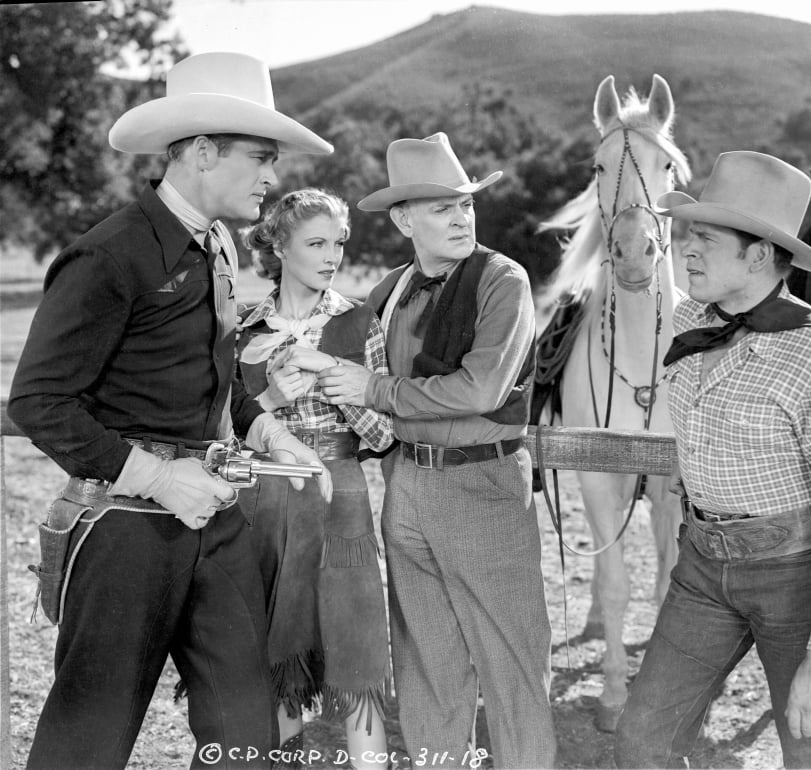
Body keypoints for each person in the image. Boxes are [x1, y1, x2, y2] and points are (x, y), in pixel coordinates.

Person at [8, 52, 335, 770]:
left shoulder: (218, 246)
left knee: (247, 735)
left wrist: (268, 429)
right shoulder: (109, 255)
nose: (272, 177)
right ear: (204, 152)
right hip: (124, 528)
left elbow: (218, 380)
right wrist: (157, 477)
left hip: (216, 525)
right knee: (84, 748)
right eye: (260, 158)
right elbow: (38, 401)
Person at [614, 151, 811, 769]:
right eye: (687, 233)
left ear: (760, 254)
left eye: (705, 238)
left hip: (794, 580)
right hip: (701, 567)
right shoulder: (690, 319)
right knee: (641, 741)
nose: (684, 248)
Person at [318, 132, 558, 768]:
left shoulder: (501, 280)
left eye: (466, 205)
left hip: (483, 484)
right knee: (425, 664)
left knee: (512, 666)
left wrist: (374, 387)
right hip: (406, 485)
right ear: (403, 220)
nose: (461, 218)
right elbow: (330, 335)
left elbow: (481, 387)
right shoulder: (391, 289)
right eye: (442, 208)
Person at [236, 188, 394, 770]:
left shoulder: (359, 322)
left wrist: (333, 378)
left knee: (357, 660)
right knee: (280, 658)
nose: (332, 256)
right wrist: (272, 397)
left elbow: (382, 437)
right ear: (279, 246)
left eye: (339, 243)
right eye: (316, 243)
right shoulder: (241, 330)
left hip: (342, 499)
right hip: (265, 504)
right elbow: (222, 437)